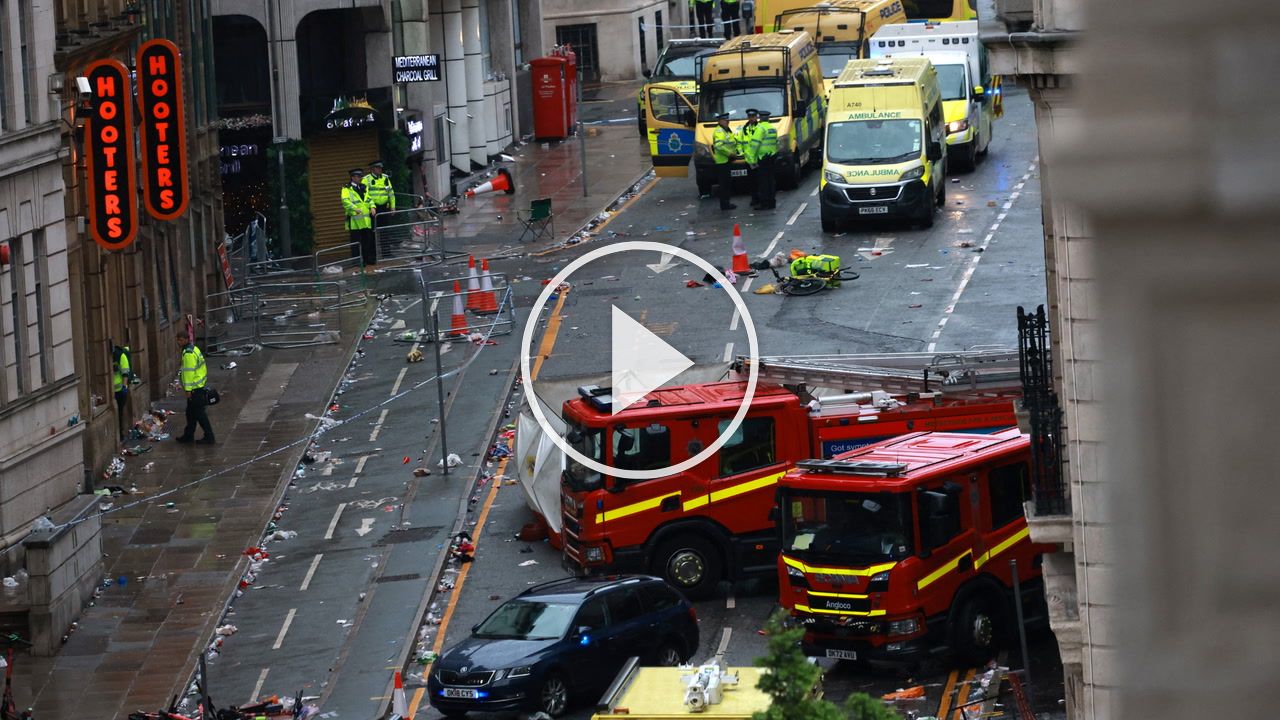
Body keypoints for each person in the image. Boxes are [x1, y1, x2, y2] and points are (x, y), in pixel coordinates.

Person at [175, 330, 215, 444]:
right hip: (198, 385)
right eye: (178, 340)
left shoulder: (188, 354)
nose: (179, 342)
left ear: (186, 340)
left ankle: (209, 437)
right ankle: (188, 435)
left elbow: (188, 373)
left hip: (194, 389)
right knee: (191, 413)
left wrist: (188, 390)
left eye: (181, 340)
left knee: (199, 414)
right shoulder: (194, 349)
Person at [342, 168, 376, 271]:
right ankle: (356, 262)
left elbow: (369, 199)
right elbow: (345, 202)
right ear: (353, 177)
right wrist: (354, 209)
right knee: (355, 243)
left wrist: (373, 206)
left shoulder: (363, 187)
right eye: (358, 176)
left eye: (361, 176)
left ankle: (367, 260)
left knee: (367, 242)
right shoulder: (346, 189)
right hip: (355, 221)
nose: (360, 178)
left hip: (366, 220)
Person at [711, 113, 739, 211]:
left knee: (727, 183)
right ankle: (725, 205)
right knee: (724, 184)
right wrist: (729, 154)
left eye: (727, 120)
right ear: (719, 121)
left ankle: (726, 203)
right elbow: (719, 146)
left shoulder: (727, 131)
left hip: (727, 161)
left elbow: (733, 143)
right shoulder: (719, 131)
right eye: (725, 120)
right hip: (722, 161)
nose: (727, 122)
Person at [752, 109, 779, 209]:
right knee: (771, 181)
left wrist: (751, 160)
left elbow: (754, 145)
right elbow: (777, 143)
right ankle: (772, 202)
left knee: (763, 182)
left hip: (762, 158)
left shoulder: (760, 129)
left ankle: (764, 204)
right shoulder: (772, 128)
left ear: (760, 118)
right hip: (771, 157)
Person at [112, 342, 134, 445]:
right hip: (112, 390)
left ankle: (121, 435)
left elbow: (125, 372)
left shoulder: (121, 356)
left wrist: (125, 387)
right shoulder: (113, 356)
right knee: (118, 414)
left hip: (120, 390)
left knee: (120, 414)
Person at [362, 159, 395, 226]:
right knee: (374, 228)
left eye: (381, 168)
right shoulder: (366, 179)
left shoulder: (385, 178)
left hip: (385, 207)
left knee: (385, 227)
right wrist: (371, 206)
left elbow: (391, 193)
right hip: (374, 208)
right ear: (372, 169)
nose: (380, 169)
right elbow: (365, 195)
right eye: (378, 168)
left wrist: (393, 207)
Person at [739, 108, 761, 207]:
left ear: (756, 117)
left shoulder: (759, 128)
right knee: (751, 182)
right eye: (750, 117)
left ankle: (760, 198)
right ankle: (754, 199)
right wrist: (741, 152)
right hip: (749, 160)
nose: (751, 119)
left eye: (753, 116)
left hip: (759, 159)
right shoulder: (744, 129)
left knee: (760, 181)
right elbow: (740, 142)